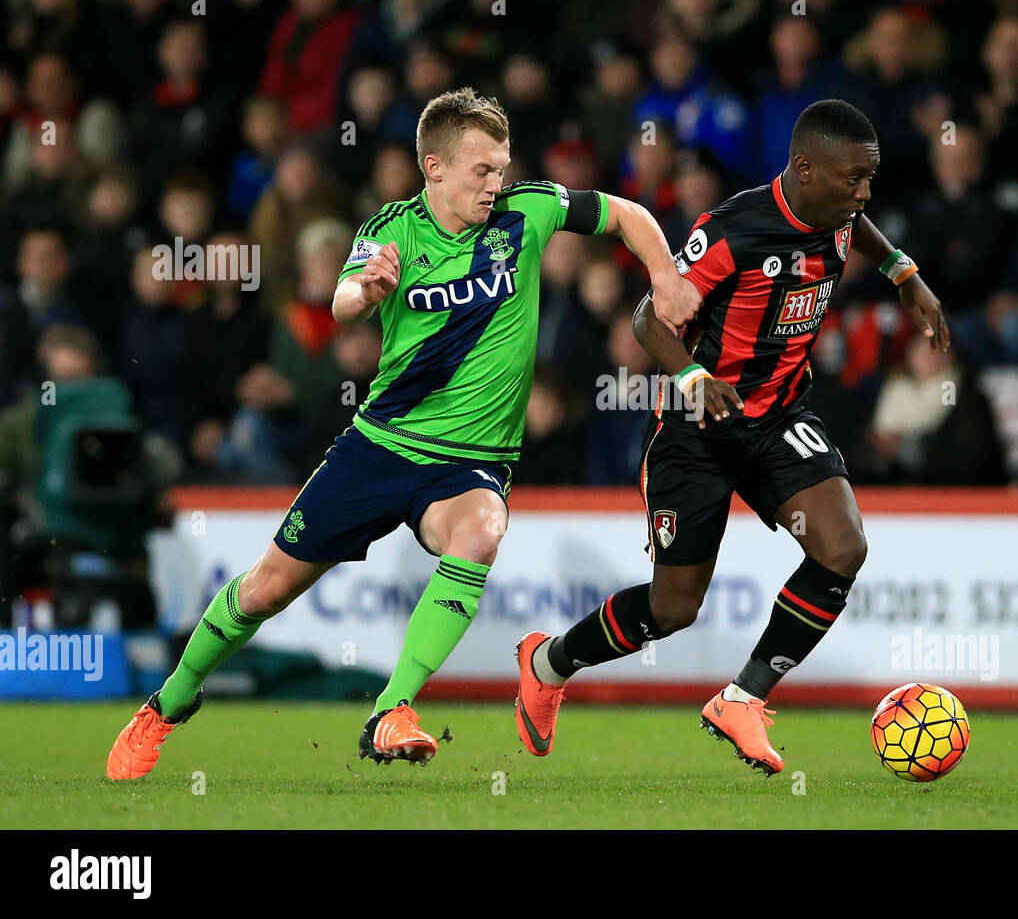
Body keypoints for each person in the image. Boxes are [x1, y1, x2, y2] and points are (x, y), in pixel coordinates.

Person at [106, 87, 701, 780]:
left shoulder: (527, 211)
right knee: (267, 590)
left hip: (470, 463)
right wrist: (369, 291)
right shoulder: (394, 229)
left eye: (501, 167)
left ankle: (391, 710)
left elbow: (624, 213)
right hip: (381, 447)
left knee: (481, 531)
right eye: (481, 170)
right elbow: (343, 300)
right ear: (435, 167)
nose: (495, 183)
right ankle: (167, 704)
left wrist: (665, 277)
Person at [514, 100, 948, 775]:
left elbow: (858, 226)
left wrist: (903, 273)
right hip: (698, 432)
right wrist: (689, 372)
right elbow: (645, 316)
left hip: (778, 418)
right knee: (672, 607)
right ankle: (548, 662)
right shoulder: (733, 232)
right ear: (805, 169)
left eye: (871, 178)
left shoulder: (835, 213)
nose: (864, 193)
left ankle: (743, 698)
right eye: (853, 178)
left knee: (843, 548)